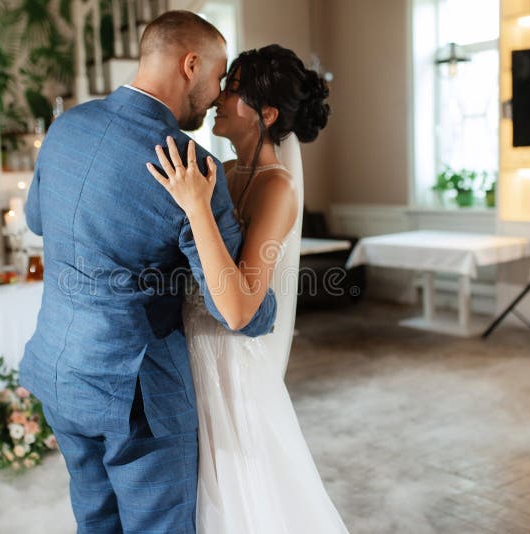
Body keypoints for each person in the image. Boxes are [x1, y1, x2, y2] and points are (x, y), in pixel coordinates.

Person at [18, 10, 278, 534]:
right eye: (217, 75)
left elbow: (36, 221)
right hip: (135, 396)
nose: (217, 93)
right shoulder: (187, 163)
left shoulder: (67, 126)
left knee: (96, 523)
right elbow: (248, 316)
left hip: (59, 372)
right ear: (190, 64)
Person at [146, 44, 349, 533]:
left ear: (267, 114)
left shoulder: (277, 189)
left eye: (232, 90)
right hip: (187, 355)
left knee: (243, 498)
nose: (217, 99)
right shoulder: (224, 172)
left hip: (229, 365)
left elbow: (239, 306)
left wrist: (196, 207)